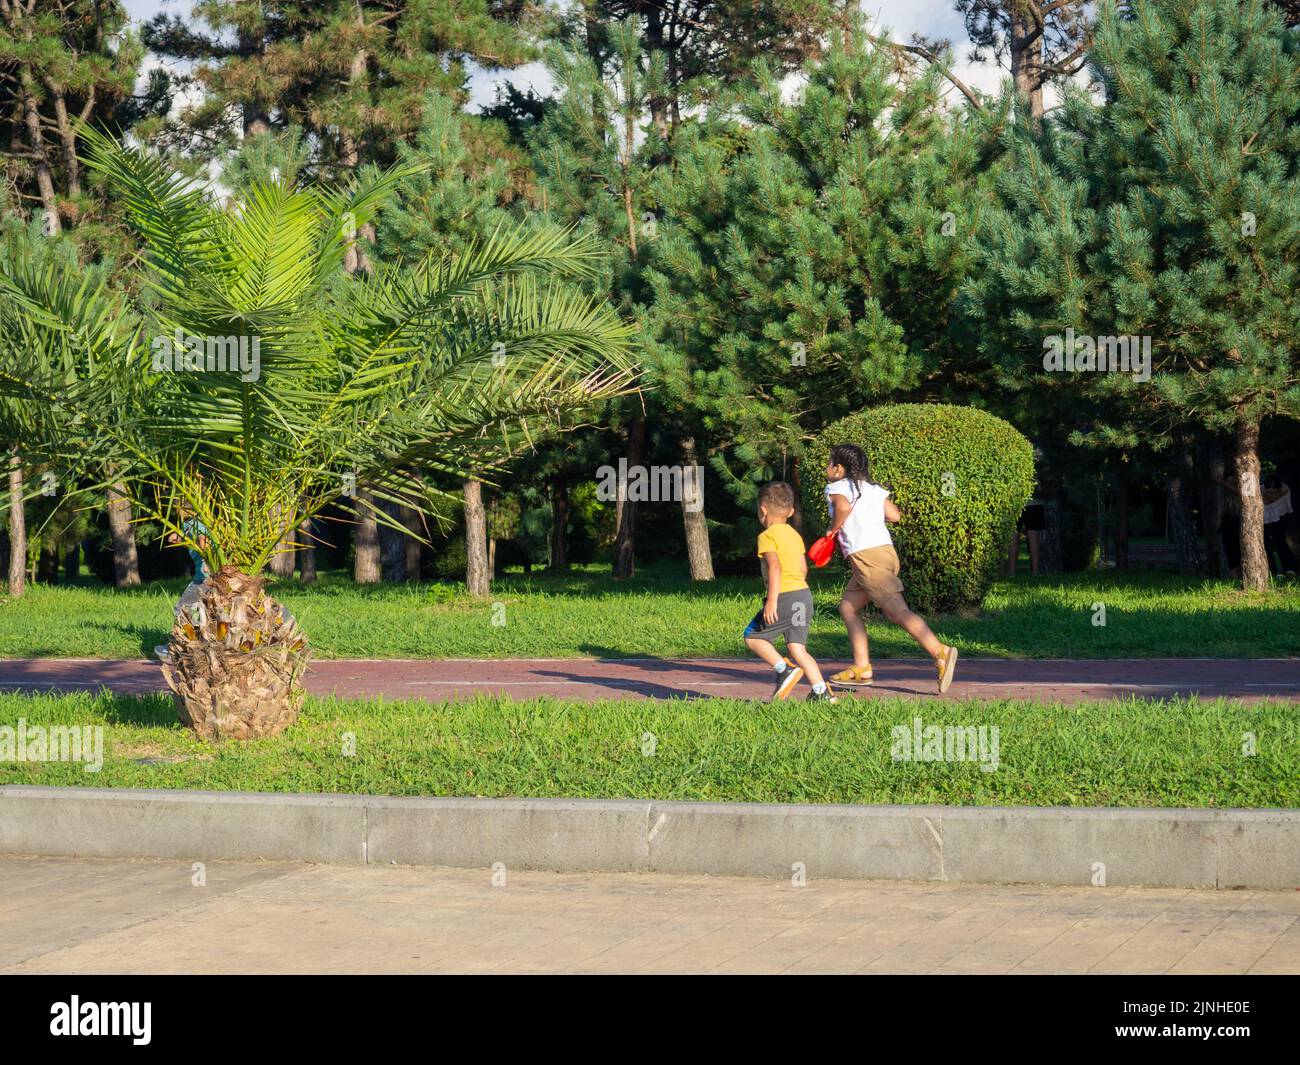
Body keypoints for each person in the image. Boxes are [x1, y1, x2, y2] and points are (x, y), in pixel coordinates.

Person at [822, 443, 959, 694]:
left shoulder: (837, 487)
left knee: (897, 612)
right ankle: (862, 668)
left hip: (868, 557)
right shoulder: (874, 489)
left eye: (829, 463)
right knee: (848, 607)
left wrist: (832, 530)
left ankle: (940, 652)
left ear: (839, 469)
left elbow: (842, 507)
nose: (826, 468)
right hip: (884, 553)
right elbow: (894, 515)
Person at [742, 481, 837, 703]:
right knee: (797, 648)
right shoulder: (795, 535)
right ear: (791, 511)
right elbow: (803, 569)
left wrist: (772, 600)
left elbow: (775, 567)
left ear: (762, 510)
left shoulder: (766, 536)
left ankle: (784, 669)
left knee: (752, 637)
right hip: (804, 596)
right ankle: (821, 691)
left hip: (784, 597)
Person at [153, 506, 211, 661]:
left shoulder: (192, 525)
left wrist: (204, 558)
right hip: (211, 577)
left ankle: (179, 649)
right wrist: (185, 541)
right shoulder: (204, 523)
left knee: (183, 610)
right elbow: (174, 538)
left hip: (204, 578)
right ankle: (199, 644)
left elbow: (201, 542)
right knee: (202, 613)